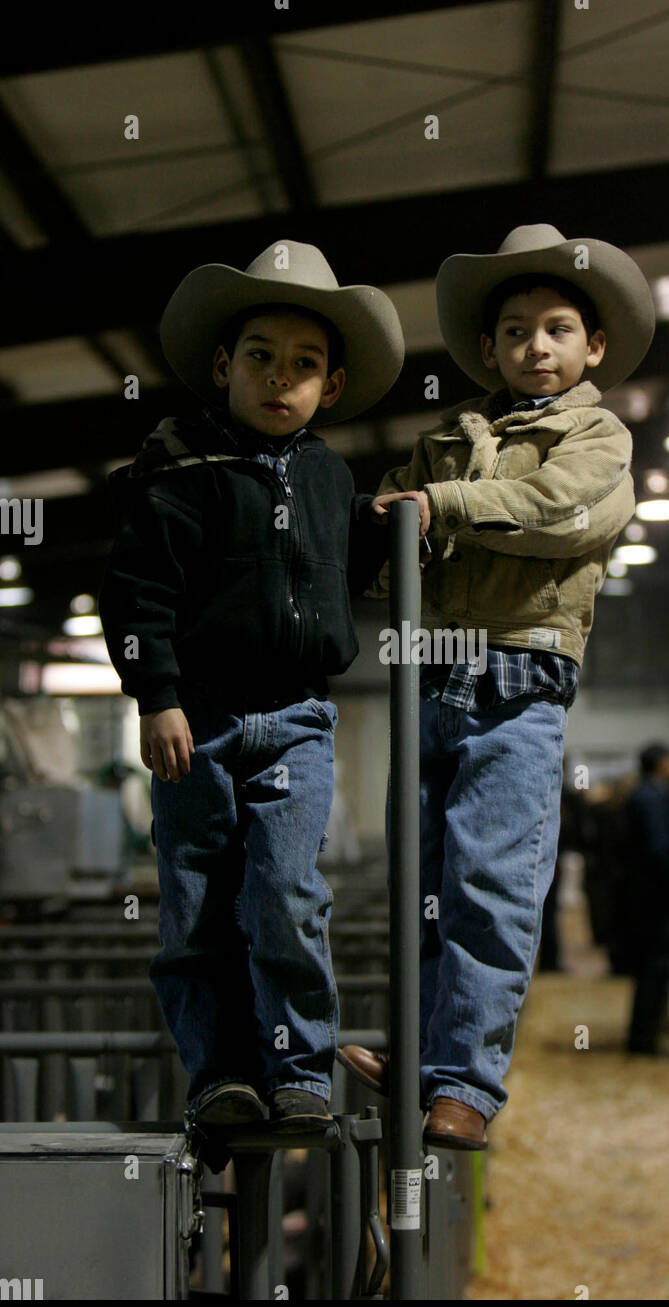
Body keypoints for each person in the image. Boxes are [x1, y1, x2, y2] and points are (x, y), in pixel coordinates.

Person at [340, 223, 655, 1148]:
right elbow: (377, 545)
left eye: (558, 328)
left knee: (492, 883)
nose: (536, 347)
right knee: (425, 882)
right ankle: (425, 1056)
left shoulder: (597, 436)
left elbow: (558, 513)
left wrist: (441, 514)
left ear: (593, 346)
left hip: (520, 675)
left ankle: (468, 1088)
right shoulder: (446, 438)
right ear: (487, 349)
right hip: (429, 672)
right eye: (515, 331)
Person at [97, 239, 403, 1131]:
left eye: (305, 365)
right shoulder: (180, 474)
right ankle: (219, 1076)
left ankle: (298, 1067)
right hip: (196, 718)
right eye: (261, 358)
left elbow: (330, 551)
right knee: (194, 900)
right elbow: (136, 594)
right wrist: (155, 695)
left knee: (286, 892)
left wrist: (375, 525)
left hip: (300, 717)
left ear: (331, 389)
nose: (281, 378)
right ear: (224, 367)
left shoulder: (329, 476)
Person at [624, 743, 669, 1056]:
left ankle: (646, 1034)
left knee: (653, 966)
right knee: (654, 966)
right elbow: (659, 849)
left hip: (649, 892)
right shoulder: (651, 798)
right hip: (656, 895)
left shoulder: (649, 795)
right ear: (661, 764)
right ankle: (644, 1039)